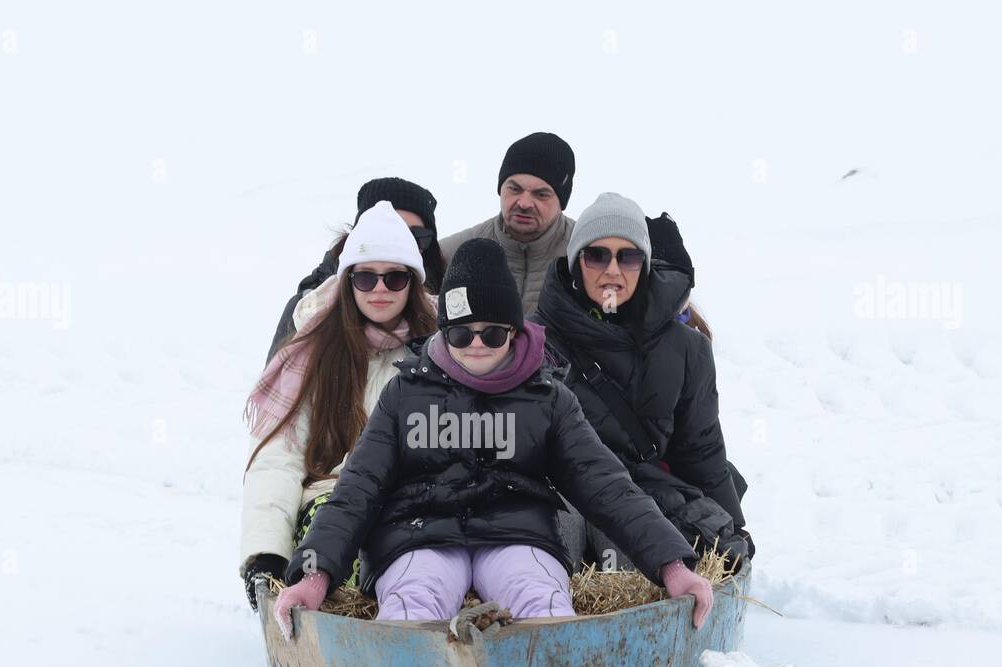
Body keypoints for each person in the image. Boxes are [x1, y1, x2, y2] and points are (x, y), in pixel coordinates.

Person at [270, 238, 713, 638]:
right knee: (410, 607)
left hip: (517, 534)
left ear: (515, 332)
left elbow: (605, 484)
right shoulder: (405, 394)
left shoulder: (548, 398)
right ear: (444, 331)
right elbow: (358, 489)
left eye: (493, 333)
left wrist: (672, 565)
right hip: (418, 535)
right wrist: (315, 574)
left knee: (543, 604)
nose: (476, 344)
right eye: (461, 332)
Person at [533, 192, 753, 570]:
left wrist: (732, 530)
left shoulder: (687, 350)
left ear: (645, 265)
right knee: (551, 552)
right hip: (558, 494)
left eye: (628, 256)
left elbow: (700, 452)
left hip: (639, 498)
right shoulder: (533, 342)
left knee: (632, 548)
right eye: (597, 255)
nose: (613, 270)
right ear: (575, 264)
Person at [239, 201, 438, 610]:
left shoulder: (442, 348)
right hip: (330, 500)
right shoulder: (314, 351)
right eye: (366, 278)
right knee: (334, 553)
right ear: (348, 281)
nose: (380, 289)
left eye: (395, 278)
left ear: (413, 283)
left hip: (413, 502)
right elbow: (280, 456)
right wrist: (266, 553)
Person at [266, 177, 445, 364]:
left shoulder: (445, 306)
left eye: (414, 236)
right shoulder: (309, 309)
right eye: (365, 277)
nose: (397, 241)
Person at [438, 132, 577, 315]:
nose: (524, 203)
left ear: (562, 202)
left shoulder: (589, 254)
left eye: (541, 194)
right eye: (514, 189)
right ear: (500, 189)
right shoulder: (450, 254)